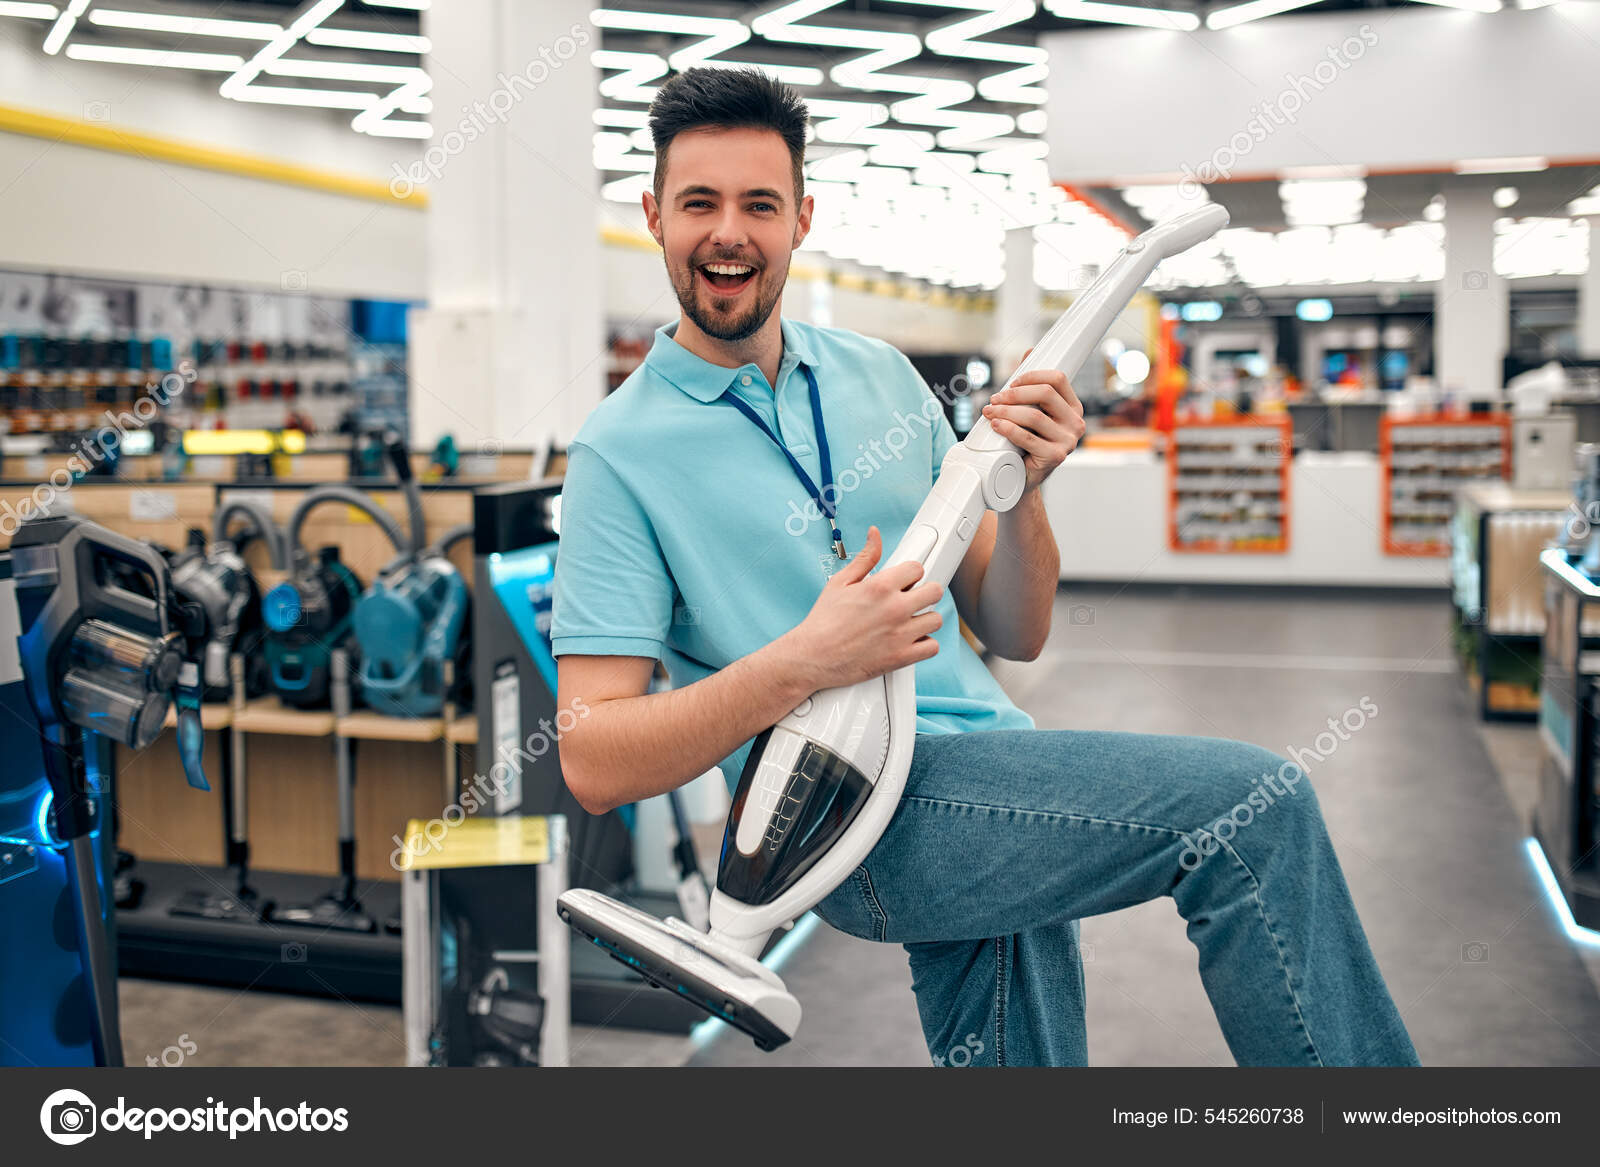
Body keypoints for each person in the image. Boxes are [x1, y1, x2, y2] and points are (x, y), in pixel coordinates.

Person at [550, 66, 1418, 1067]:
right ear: (655, 216)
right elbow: (593, 759)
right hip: (837, 817)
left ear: (802, 220)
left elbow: (1015, 630)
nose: (728, 233)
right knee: (1249, 811)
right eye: (698, 203)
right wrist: (804, 662)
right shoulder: (621, 452)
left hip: (993, 766)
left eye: (760, 203)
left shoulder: (879, 376)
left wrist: (1028, 486)